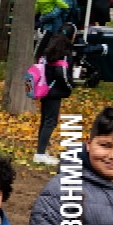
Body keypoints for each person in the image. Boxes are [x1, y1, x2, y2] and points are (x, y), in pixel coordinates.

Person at [30, 33, 75, 165]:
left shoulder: (46, 57)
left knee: (45, 121)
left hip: (45, 92)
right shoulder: (60, 61)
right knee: (50, 122)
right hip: (53, 94)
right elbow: (63, 77)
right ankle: (40, 153)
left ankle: (41, 150)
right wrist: (70, 87)